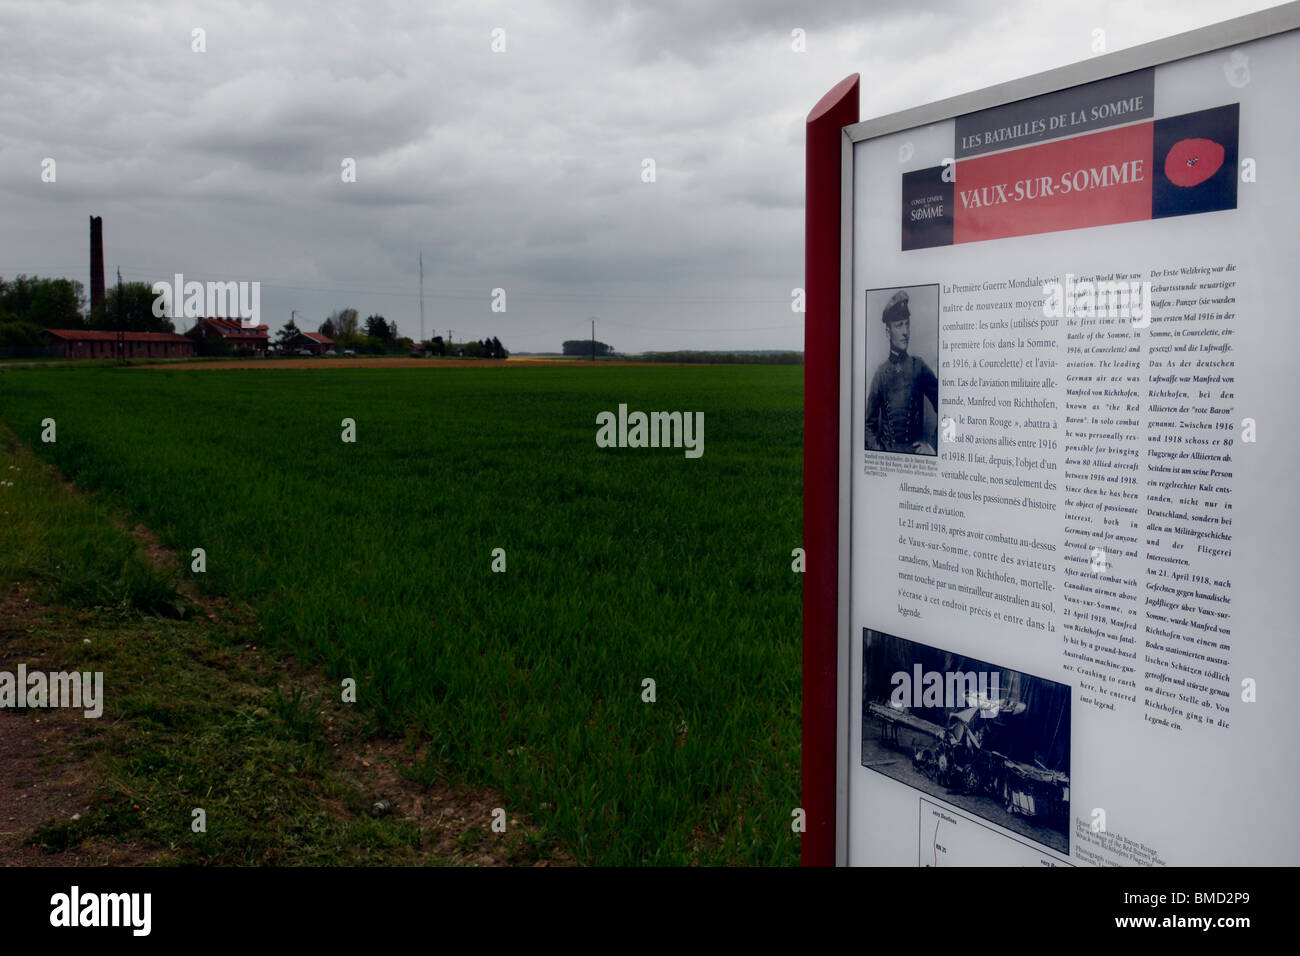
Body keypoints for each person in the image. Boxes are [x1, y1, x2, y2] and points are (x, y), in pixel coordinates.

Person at [865, 290, 938, 454]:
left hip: (915, 459)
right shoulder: (881, 374)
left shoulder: (918, 367)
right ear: (887, 332)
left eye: (907, 324)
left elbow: (948, 405)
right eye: (899, 325)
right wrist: (879, 452)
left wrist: (933, 446)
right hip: (888, 458)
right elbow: (868, 426)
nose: (905, 331)